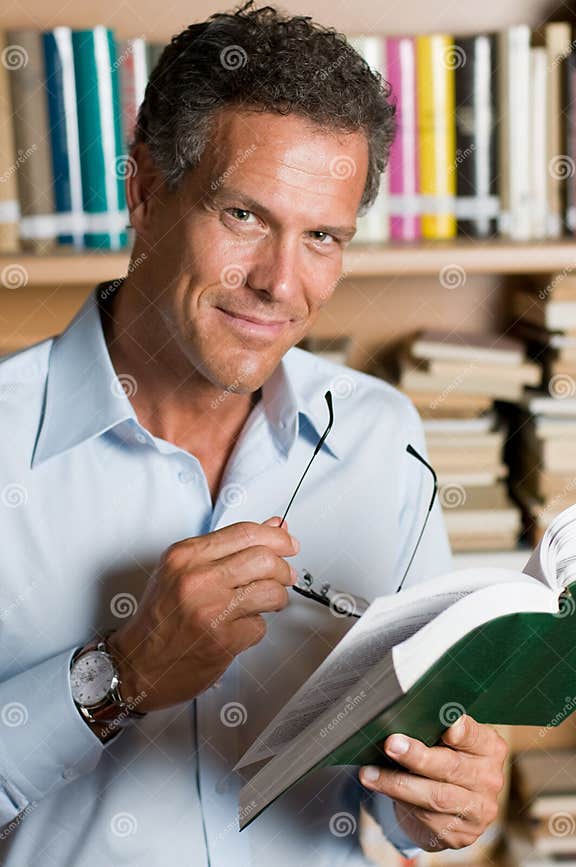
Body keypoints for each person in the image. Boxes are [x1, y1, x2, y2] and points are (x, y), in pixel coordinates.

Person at [0, 2, 507, 864]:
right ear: (145, 193)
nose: (280, 282)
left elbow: (399, 785)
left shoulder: (382, 436)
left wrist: (438, 804)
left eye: (322, 236)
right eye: (243, 216)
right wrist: (121, 675)